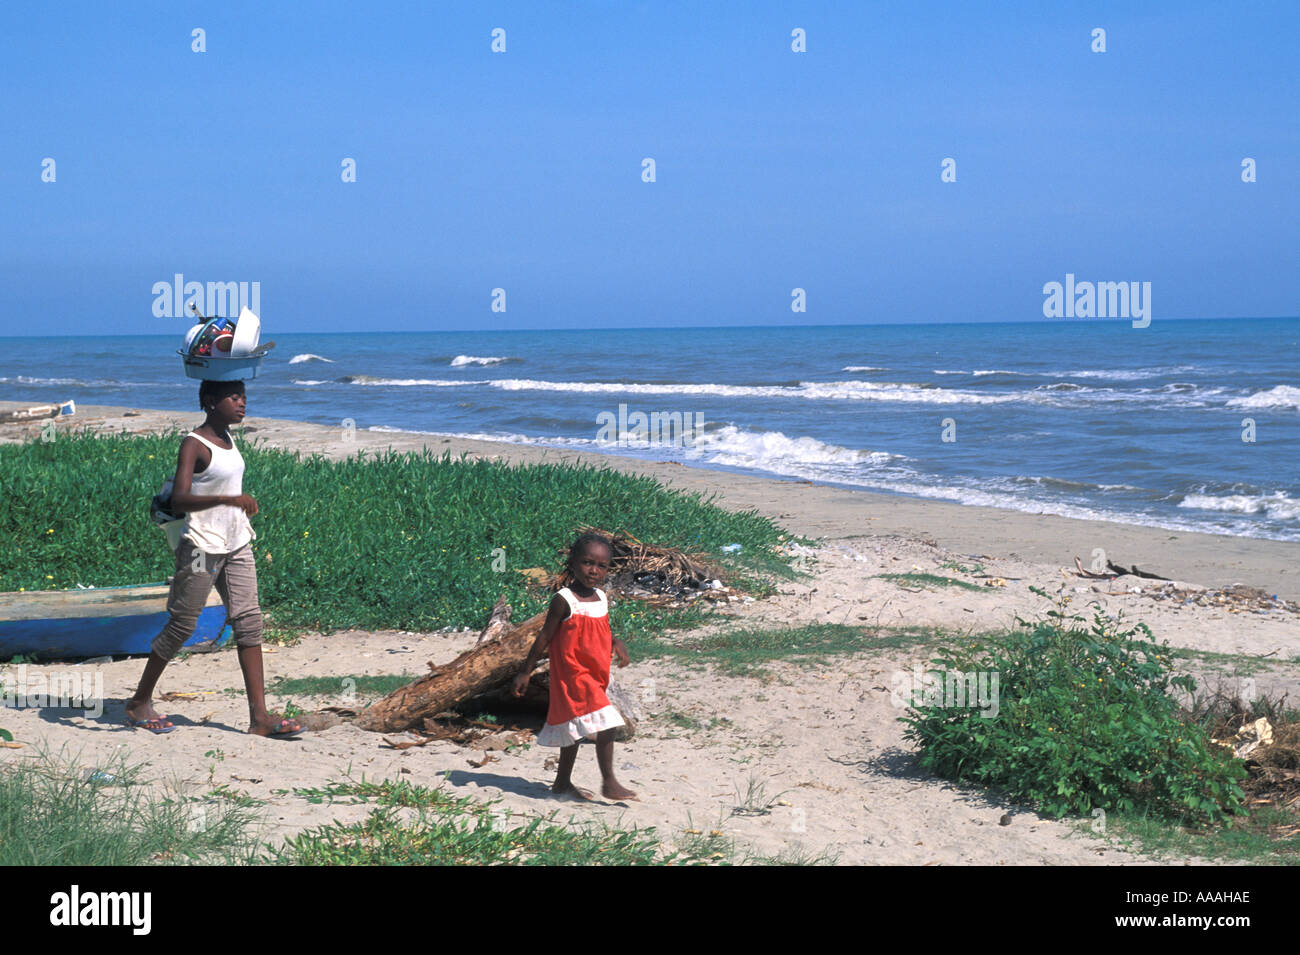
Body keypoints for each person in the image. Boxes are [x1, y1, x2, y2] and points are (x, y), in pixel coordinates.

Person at [124, 379, 304, 737]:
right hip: (201, 546)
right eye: (233, 396)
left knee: (249, 622)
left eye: (243, 395)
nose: (242, 402)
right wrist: (228, 500)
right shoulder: (194, 444)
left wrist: (233, 505)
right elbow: (179, 499)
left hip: (237, 542)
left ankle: (260, 719)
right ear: (210, 402)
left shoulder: (229, 440)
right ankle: (138, 702)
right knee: (182, 625)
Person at [513, 532, 638, 801]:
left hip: (595, 673)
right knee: (607, 722)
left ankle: (561, 784)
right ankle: (610, 782)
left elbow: (601, 629)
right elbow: (545, 636)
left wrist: (617, 642)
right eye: (587, 563)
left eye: (601, 566)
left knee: (572, 728)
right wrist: (525, 671)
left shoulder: (601, 598)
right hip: (572, 674)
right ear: (573, 562)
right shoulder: (564, 599)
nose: (593, 571)